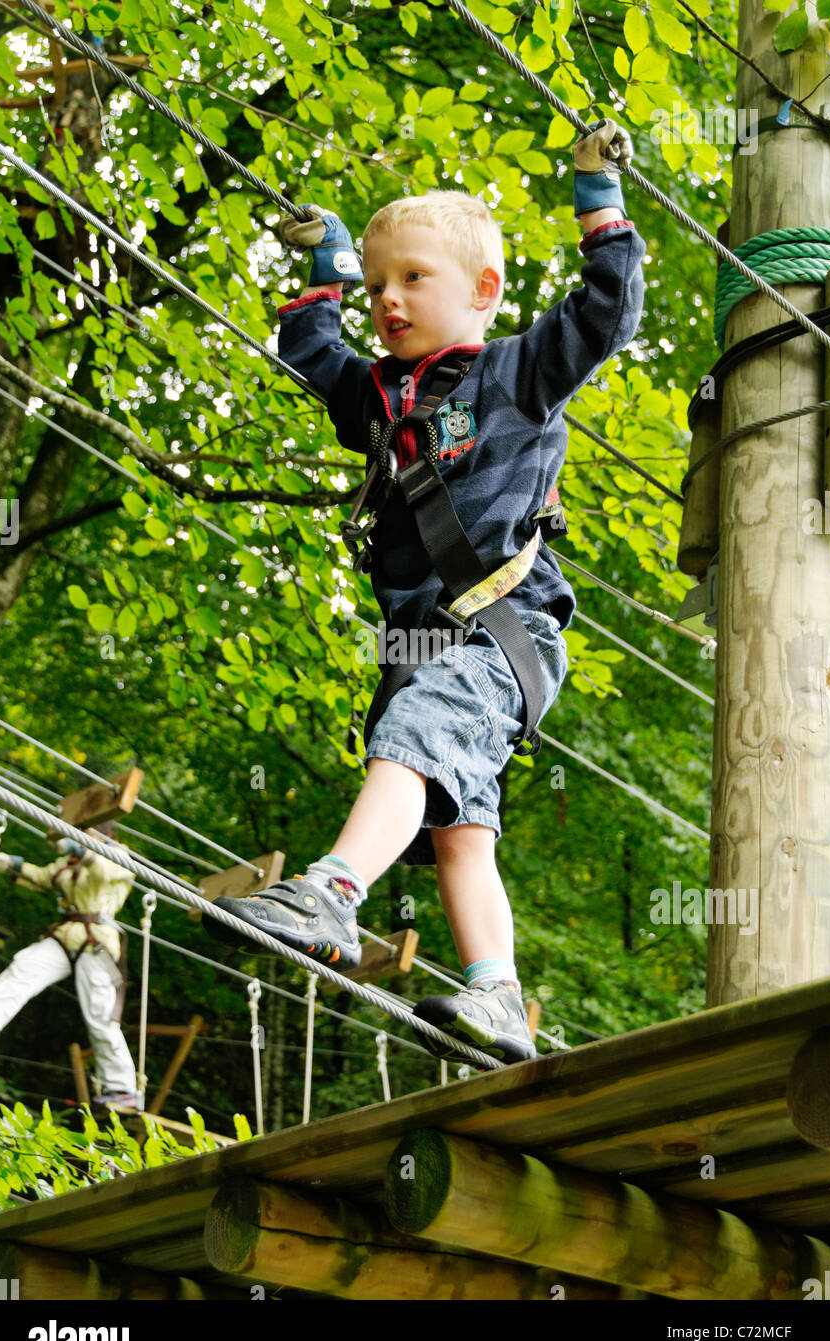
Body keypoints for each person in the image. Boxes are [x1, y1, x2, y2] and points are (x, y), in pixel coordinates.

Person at [207, 121, 645, 1065]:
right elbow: (313, 357)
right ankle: (496, 995)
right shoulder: (380, 397)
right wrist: (321, 272)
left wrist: (598, 201)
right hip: (419, 641)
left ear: (483, 291)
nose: (388, 300)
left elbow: (605, 315)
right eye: (376, 287)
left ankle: (332, 889)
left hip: (503, 628)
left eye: (412, 278)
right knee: (458, 829)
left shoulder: (516, 373)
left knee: (413, 745)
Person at [0, 822, 141, 1108]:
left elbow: (105, 870)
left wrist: (78, 846)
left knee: (100, 1013)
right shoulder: (70, 862)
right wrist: (12, 865)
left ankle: (122, 1088)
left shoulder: (120, 857)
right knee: (23, 967)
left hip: (96, 939)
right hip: (66, 936)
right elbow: (45, 877)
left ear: (103, 837)